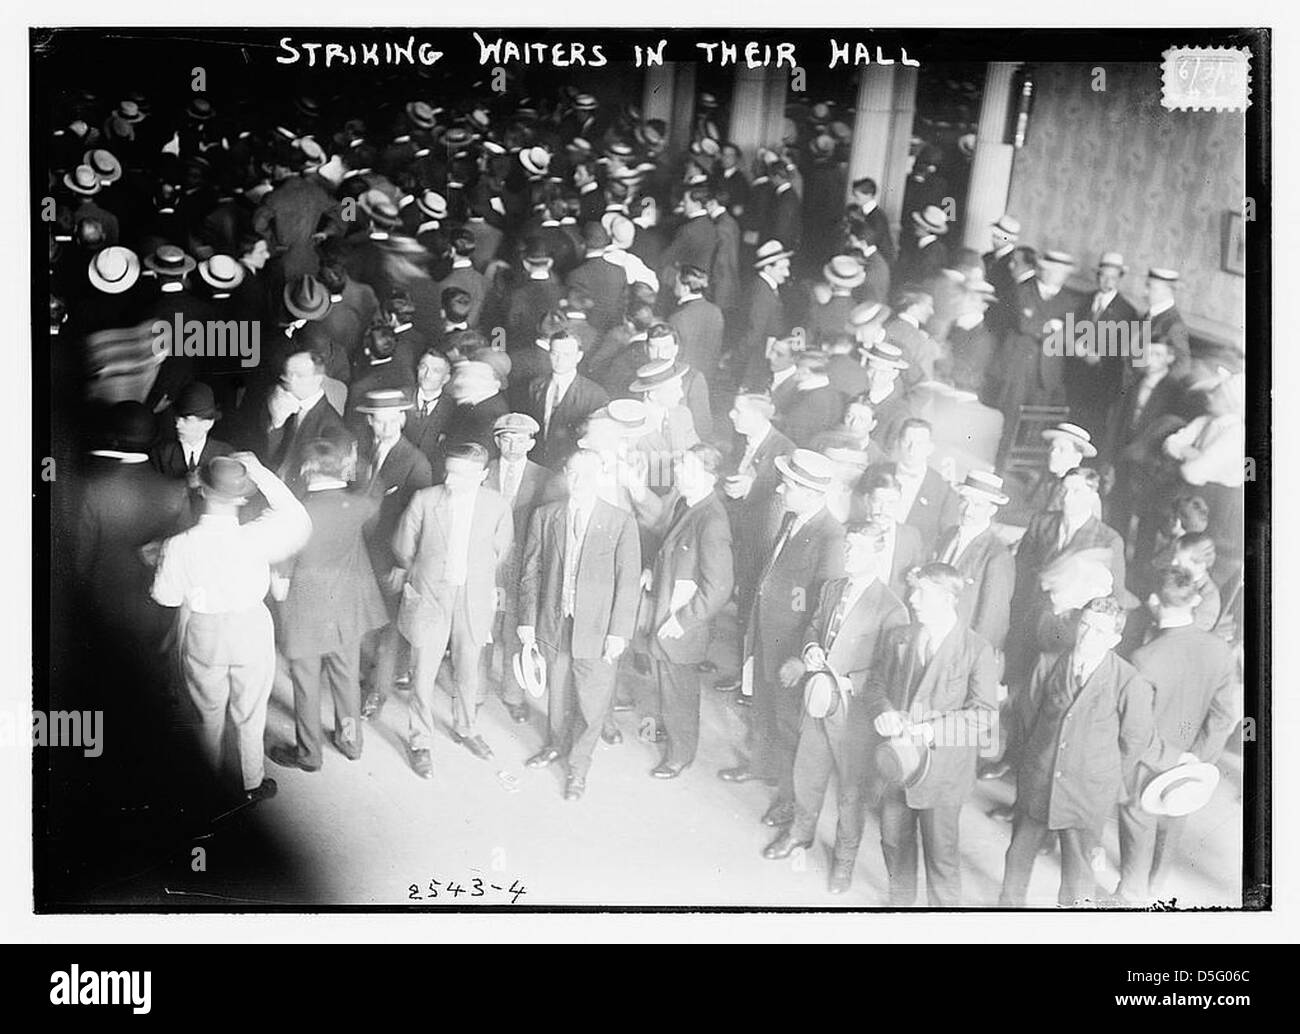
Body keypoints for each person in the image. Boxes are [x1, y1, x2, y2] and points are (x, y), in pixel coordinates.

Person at [999, 596, 1181, 907]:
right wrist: (1035, 760)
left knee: (1078, 870)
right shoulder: (1047, 662)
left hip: (1087, 794)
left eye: (1099, 631)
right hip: (1039, 783)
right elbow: (1027, 717)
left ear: (1114, 639)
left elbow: (1134, 741)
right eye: (1084, 625)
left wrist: (1103, 778)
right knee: (1017, 857)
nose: (1087, 636)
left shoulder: (1128, 681)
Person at [151, 452, 311, 803]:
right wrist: (256, 468)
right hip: (251, 629)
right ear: (242, 498)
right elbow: (297, 517)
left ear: (202, 490)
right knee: (250, 714)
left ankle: (206, 789)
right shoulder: (257, 537)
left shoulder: (179, 545)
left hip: (203, 632)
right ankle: (251, 784)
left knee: (207, 714)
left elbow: (165, 597)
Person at [765, 521, 909, 893]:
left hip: (855, 714)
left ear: (877, 553)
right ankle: (800, 833)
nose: (848, 554)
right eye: (847, 547)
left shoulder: (892, 608)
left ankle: (843, 863)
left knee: (851, 792)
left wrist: (848, 682)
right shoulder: (832, 588)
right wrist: (810, 647)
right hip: (817, 699)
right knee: (807, 770)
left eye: (858, 549)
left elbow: (889, 670)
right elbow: (814, 625)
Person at [721, 449, 845, 828]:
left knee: (791, 726)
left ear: (810, 492)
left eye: (789, 484)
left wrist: (801, 658)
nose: (780, 489)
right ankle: (761, 766)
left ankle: (790, 801)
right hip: (765, 634)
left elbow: (823, 608)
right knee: (763, 708)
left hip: (792, 649)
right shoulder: (794, 518)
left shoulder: (831, 536)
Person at [865, 562, 998, 906]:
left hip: (943, 774)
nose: (912, 598)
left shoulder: (977, 650)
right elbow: (876, 684)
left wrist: (929, 731)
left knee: (940, 857)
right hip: (898, 765)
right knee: (893, 841)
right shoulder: (901, 636)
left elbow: (983, 714)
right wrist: (885, 712)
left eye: (921, 592)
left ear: (947, 598)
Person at [519, 449, 642, 799]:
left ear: (600, 476)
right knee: (557, 694)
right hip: (554, 622)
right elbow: (530, 571)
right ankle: (555, 745)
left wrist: (618, 633)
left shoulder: (620, 522)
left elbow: (628, 581)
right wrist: (527, 621)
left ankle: (578, 768)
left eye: (585, 475)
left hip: (598, 629)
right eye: (572, 473)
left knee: (591, 702)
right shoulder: (546, 516)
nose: (577, 481)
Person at [1116, 567, 1239, 903]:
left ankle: (1130, 894)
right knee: (1174, 820)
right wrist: (1195, 758)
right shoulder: (1219, 649)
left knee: (1137, 822)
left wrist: (1170, 756)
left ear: (1155, 601)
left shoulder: (1144, 658)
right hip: (1192, 757)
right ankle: (1156, 888)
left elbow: (1136, 728)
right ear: (1193, 599)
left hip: (1148, 758)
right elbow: (1223, 716)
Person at [391, 442, 513, 777]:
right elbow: (403, 546)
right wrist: (424, 573)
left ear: (484, 475)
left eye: (461, 475)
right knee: (422, 675)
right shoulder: (425, 500)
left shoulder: (497, 506)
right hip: (431, 596)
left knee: (469, 671)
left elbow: (500, 553)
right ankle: (421, 741)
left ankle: (466, 728)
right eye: (449, 471)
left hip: (472, 598)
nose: (451, 480)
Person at [271, 437, 388, 771]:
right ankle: (351, 742)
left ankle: (309, 754)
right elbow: (376, 487)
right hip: (345, 612)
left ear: (308, 470)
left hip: (305, 614)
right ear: (344, 470)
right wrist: (362, 463)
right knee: (346, 679)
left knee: (306, 685)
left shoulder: (297, 513)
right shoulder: (358, 506)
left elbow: (280, 576)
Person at [636, 445, 735, 776]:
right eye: (679, 465)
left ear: (708, 476)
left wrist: (683, 620)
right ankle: (672, 733)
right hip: (668, 612)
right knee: (667, 680)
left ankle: (681, 754)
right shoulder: (686, 505)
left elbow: (719, 587)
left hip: (682, 623)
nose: (678, 473)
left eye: (686, 468)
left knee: (680, 690)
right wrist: (653, 568)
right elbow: (670, 548)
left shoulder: (712, 520)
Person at [354, 389, 434, 721]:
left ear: (402, 418)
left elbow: (420, 522)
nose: (386, 428)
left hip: (391, 558)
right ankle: (362, 677)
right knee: (362, 619)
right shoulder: (364, 451)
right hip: (359, 553)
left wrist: (406, 565)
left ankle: (377, 691)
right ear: (370, 421)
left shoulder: (416, 462)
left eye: (392, 421)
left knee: (387, 628)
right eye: (379, 422)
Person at [487, 412, 564, 722]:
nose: (513, 446)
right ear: (497, 441)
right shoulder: (484, 470)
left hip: (523, 567)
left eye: (520, 440)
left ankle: (512, 695)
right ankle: (475, 690)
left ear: (531, 443)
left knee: (515, 631)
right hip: (488, 564)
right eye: (506, 439)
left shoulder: (544, 478)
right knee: (484, 627)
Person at [932, 471, 1015, 659]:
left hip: (958, 652)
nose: (968, 511)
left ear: (992, 510)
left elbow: (991, 624)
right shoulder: (949, 535)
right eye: (965, 500)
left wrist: (968, 660)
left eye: (978, 505)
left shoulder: (997, 555)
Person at [1067, 251, 1139, 435]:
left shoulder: (1127, 312)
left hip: (1100, 384)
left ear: (1120, 279)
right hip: (1073, 375)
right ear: (1097, 276)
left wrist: (1100, 359)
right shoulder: (1083, 300)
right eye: (1104, 276)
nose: (1107, 282)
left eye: (1113, 278)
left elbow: (1123, 355)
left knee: (1089, 428)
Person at [866, 417, 959, 555]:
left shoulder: (943, 489)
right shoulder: (875, 472)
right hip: (869, 554)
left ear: (930, 449)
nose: (912, 449)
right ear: (898, 443)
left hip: (912, 565)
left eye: (919, 444)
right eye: (907, 442)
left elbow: (946, 539)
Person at [264, 349, 350, 497]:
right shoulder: (282, 403)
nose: (290, 380)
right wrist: (276, 424)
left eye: (298, 375)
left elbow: (338, 483)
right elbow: (272, 456)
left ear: (318, 378)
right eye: (289, 374)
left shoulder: (333, 429)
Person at [527, 330, 609, 469]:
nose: (559, 360)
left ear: (579, 356)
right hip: (538, 464)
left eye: (567, 355)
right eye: (555, 354)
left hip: (569, 468)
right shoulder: (536, 385)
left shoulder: (595, 394)